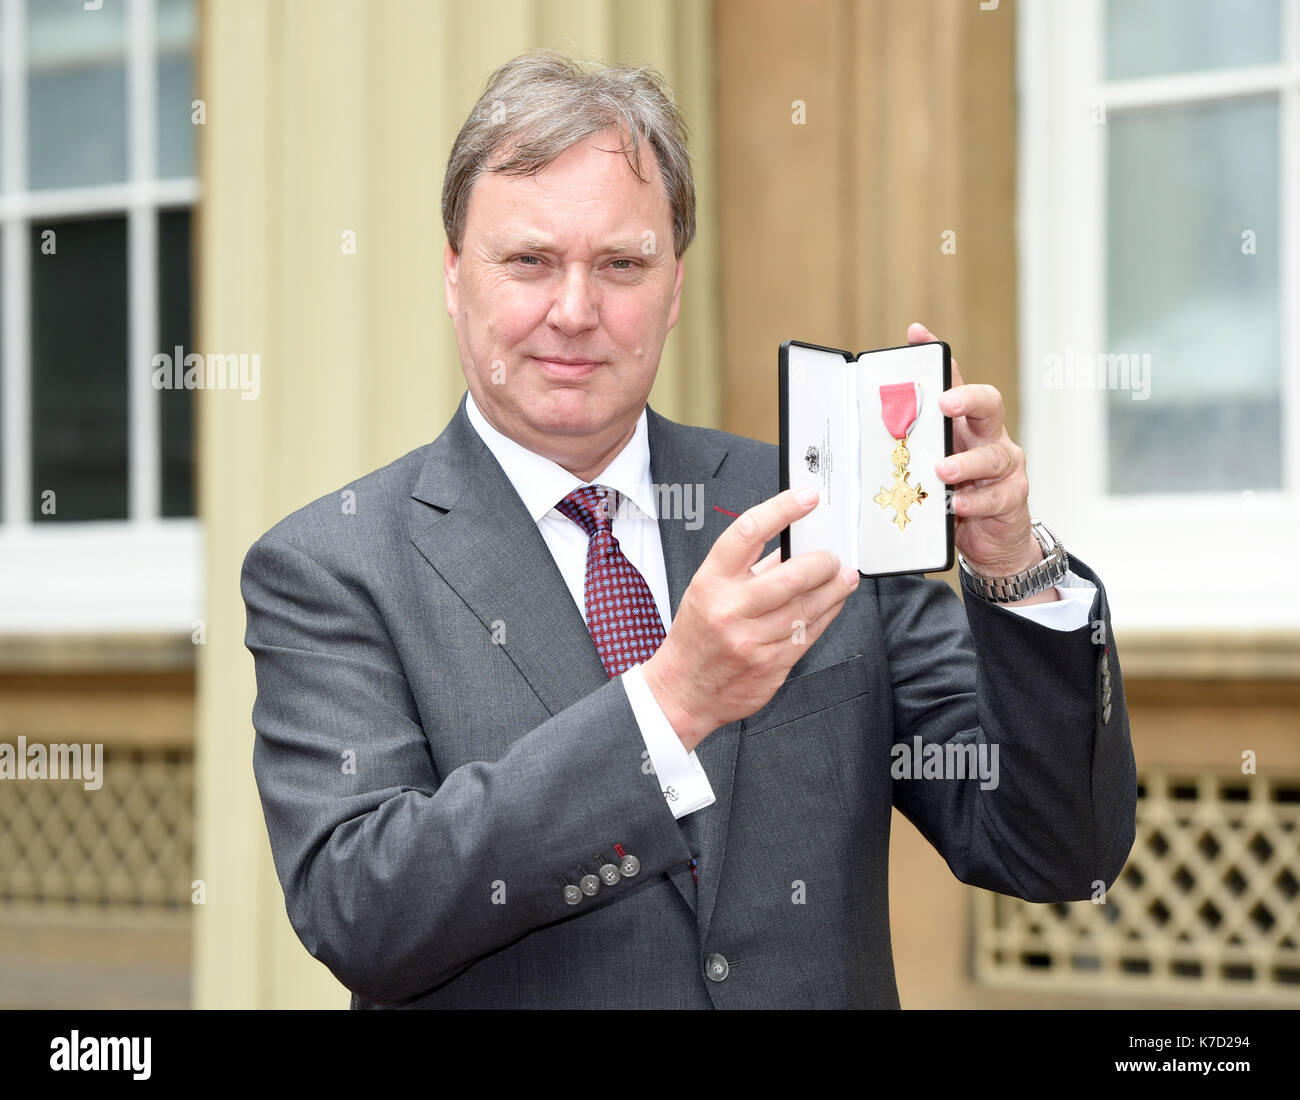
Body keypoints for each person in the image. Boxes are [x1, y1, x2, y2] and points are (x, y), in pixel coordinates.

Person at [243, 49, 1136, 1009]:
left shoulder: (808, 509)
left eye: (621, 265)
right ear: (456, 276)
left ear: (673, 291)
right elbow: (361, 911)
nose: (574, 311)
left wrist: (1013, 569)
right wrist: (668, 705)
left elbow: (1056, 850)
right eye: (530, 261)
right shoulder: (333, 565)